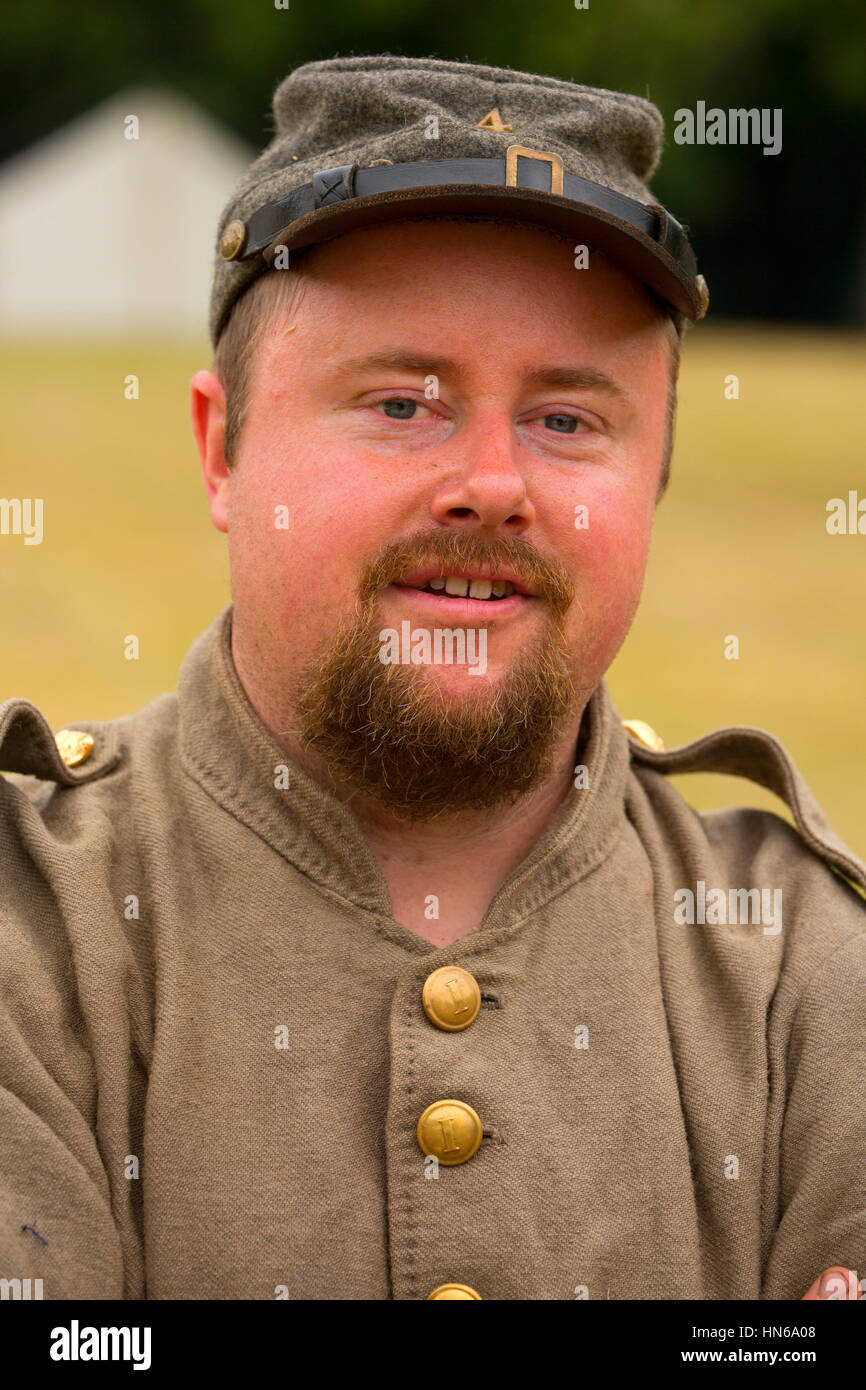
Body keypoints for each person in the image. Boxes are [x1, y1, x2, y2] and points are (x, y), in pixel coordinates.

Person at [1, 55, 863, 1302]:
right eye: (403, 402)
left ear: (655, 481)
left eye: (568, 420)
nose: (494, 483)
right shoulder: (35, 931)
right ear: (222, 451)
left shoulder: (805, 971)